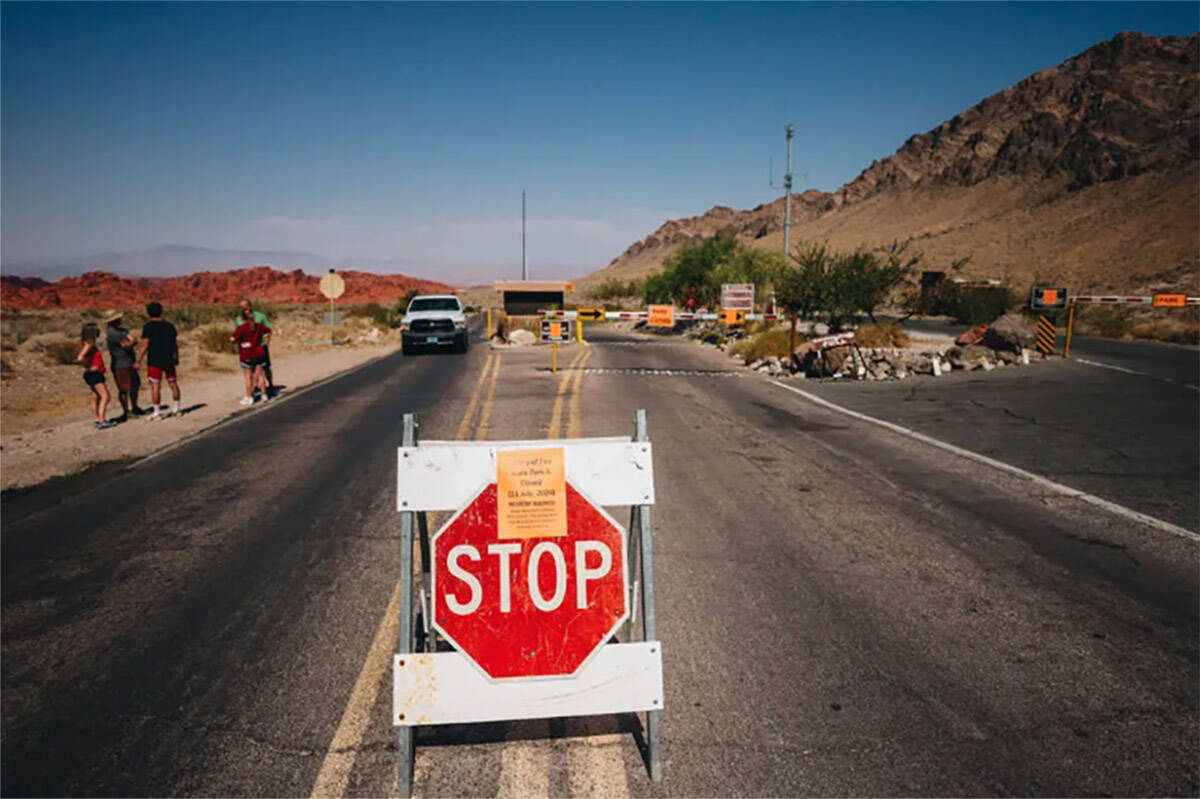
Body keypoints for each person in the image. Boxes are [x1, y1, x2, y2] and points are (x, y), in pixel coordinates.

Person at [136, 301, 181, 420]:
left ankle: (157, 411)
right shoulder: (170, 326)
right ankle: (177, 408)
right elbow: (175, 344)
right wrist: (176, 357)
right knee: (172, 382)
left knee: (155, 385)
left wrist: (138, 360)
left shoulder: (148, 327)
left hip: (154, 359)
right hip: (168, 358)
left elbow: (145, 345)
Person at [105, 312, 145, 420]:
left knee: (135, 385)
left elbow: (132, 341)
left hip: (129, 362)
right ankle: (126, 411)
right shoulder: (113, 333)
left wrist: (132, 341)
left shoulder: (122, 330)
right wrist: (132, 341)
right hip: (120, 364)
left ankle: (134, 406)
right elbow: (128, 344)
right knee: (124, 388)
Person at [76, 323, 115, 430]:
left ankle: (97, 418)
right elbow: (80, 357)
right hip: (94, 373)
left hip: (92, 373)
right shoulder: (89, 344)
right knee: (105, 396)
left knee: (96, 396)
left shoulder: (87, 344)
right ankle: (102, 420)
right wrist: (89, 366)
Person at [235, 299, 274, 397]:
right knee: (251, 371)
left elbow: (268, 331)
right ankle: (256, 390)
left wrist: (266, 343)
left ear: (250, 306)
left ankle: (270, 385)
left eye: (246, 306)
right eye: (242, 307)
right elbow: (238, 334)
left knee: (265, 368)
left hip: (260, 346)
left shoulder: (260, 316)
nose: (245, 308)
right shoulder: (238, 319)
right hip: (246, 349)